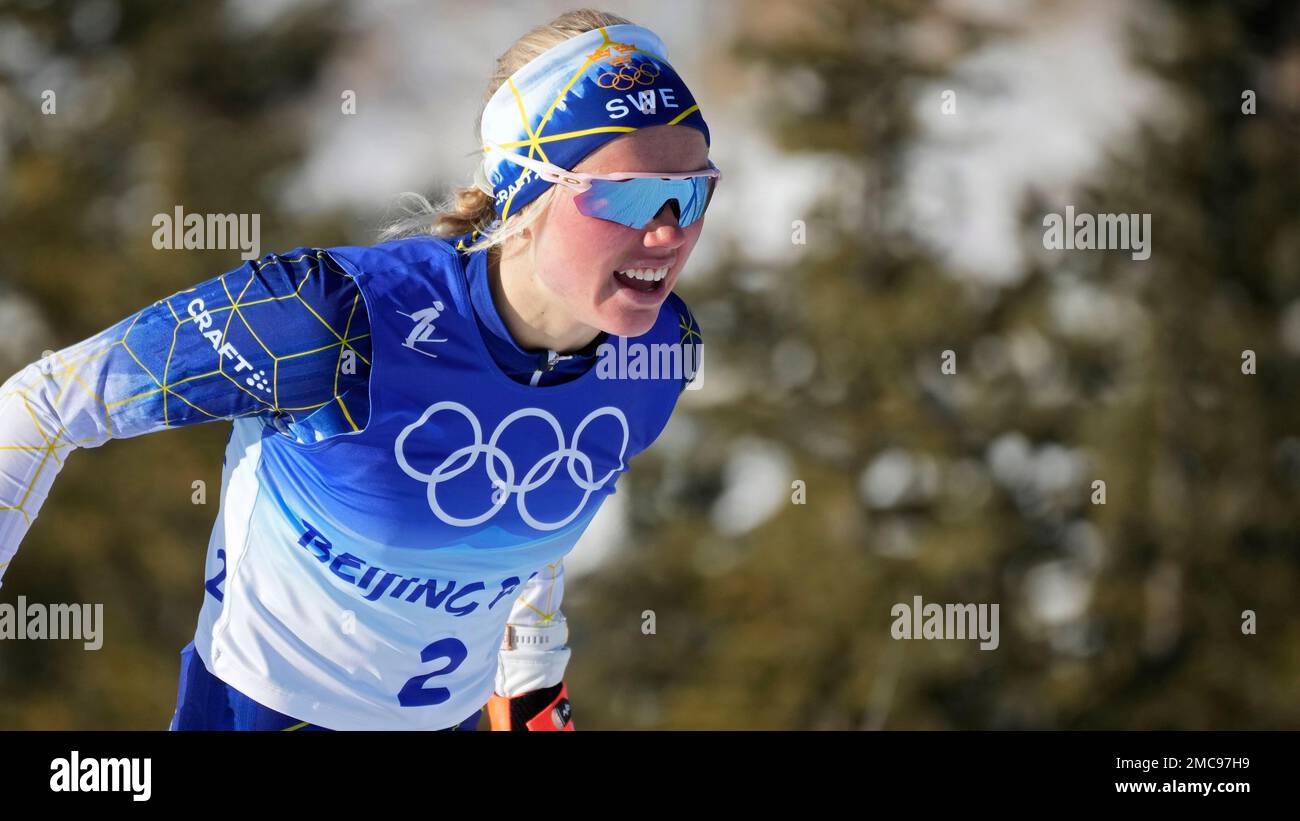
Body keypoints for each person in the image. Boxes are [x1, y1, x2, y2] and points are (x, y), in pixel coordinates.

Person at [0, 8, 716, 731]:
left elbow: (526, 501)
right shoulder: (328, 321)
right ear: (525, 189)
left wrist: (530, 680)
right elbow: (44, 403)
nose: (666, 232)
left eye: (691, 193)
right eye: (625, 193)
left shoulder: (653, 358)